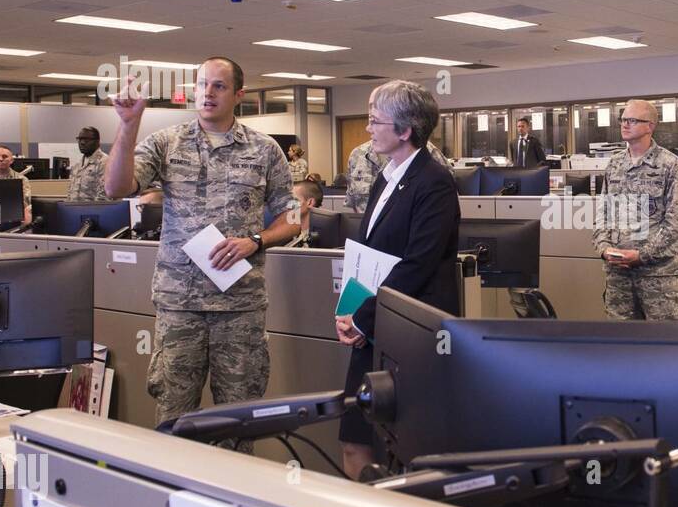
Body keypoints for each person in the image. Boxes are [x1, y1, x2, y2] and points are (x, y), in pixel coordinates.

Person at [104, 57, 300, 426]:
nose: (207, 93)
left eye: (219, 86)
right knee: (174, 418)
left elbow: (292, 218)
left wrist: (255, 240)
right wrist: (128, 126)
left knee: (241, 419)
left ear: (238, 94)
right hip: (180, 305)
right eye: (201, 84)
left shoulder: (264, 149)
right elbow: (115, 188)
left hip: (240, 307)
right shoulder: (166, 143)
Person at [334, 81, 460, 479]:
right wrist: (353, 310)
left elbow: (417, 265)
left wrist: (361, 317)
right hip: (373, 325)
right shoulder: (384, 178)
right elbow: (374, 253)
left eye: (375, 121)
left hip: (408, 332)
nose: (368, 129)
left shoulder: (434, 181)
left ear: (405, 130)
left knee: (405, 445)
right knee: (355, 436)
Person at [592, 99, 678, 320]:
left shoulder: (670, 165)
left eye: (633, 120)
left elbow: (677, 223)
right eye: (623, 119)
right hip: (618, 278)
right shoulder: (615, 164)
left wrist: (642, 255)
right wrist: (604, 248)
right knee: (621, 347)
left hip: (658, 279)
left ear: (650, 126)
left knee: (664, 347)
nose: (625, 125)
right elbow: (602, 215)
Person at [67, 127, 110, 201]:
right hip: (74, 210)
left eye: (86, 139)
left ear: (97, 142)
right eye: (80, 139)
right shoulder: (77, 165)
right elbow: (71, 193)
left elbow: (104, 196)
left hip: (93, 210)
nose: (82, 142)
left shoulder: (105, 162)